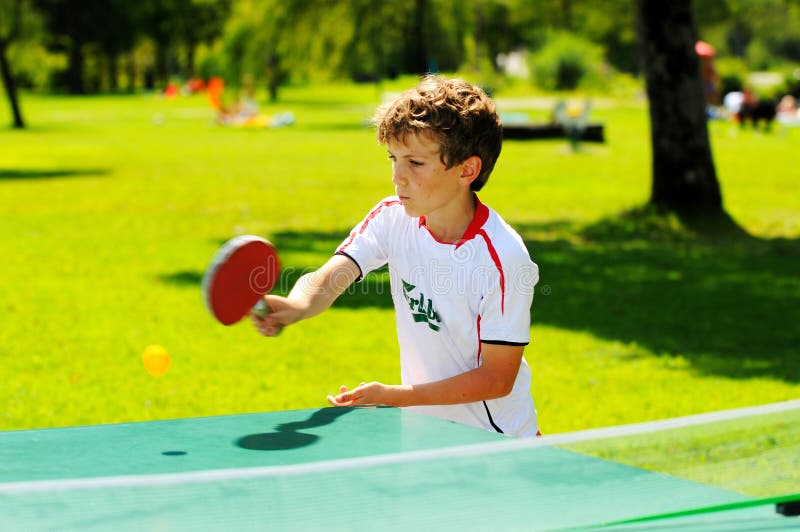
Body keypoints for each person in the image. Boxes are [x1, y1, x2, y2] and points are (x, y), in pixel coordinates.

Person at [252, 75, 540, 438]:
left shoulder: (503, 258)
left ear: (467, 170)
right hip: (428, 436)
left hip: (498, 447)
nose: (397, 178)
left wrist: (396, 397)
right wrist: (298, 304)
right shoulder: (392, 217)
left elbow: (497, 379)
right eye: (394, 158)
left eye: (415, 163)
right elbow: (334, 273)